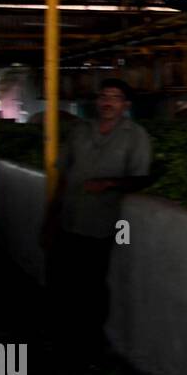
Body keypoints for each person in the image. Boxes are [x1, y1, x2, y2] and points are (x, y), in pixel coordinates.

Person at [41, 78, 153, 358]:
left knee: (92, 282)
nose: (107, 102)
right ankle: (62, 336)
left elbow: (140, 178)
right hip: (68, 217)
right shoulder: (79, 131)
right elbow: (64, 176)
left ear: (125, 105)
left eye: (115, 97)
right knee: (63, 279)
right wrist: (51, 216)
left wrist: (109, 184)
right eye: (103, 96)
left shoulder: (135, 135)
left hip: (101, 223)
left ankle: (91, 341)